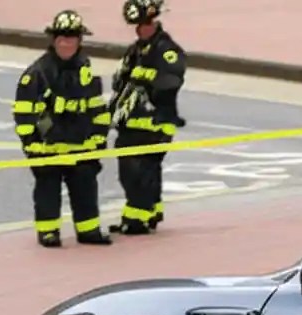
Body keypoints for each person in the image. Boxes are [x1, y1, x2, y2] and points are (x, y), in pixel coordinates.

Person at [14, 10, 112, 247]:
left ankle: (88, 231)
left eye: (72, 38)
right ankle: (48, 232)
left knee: (85, 191)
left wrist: (99, 137)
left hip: (82, 147)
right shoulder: (37, 74)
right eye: (62, 38)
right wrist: (31, 144)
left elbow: (97, 107)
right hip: (48, 149)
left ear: (79, 41)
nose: (66, 43)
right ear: (54, 40)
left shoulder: (86, 71)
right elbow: (24, 111)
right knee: (48, 192)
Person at [108, 0, 186, 236]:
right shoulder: (135, 50)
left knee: (138, 173)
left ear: (154, 22)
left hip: (154, 123)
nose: (141, 29)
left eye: (145, 24)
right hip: (130, 123)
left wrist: (142, 76)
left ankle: (137, 220)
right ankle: (149, 212)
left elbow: (171, 81)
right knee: (139, 172)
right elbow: (120, 81)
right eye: (138, 25)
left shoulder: (167, 49)